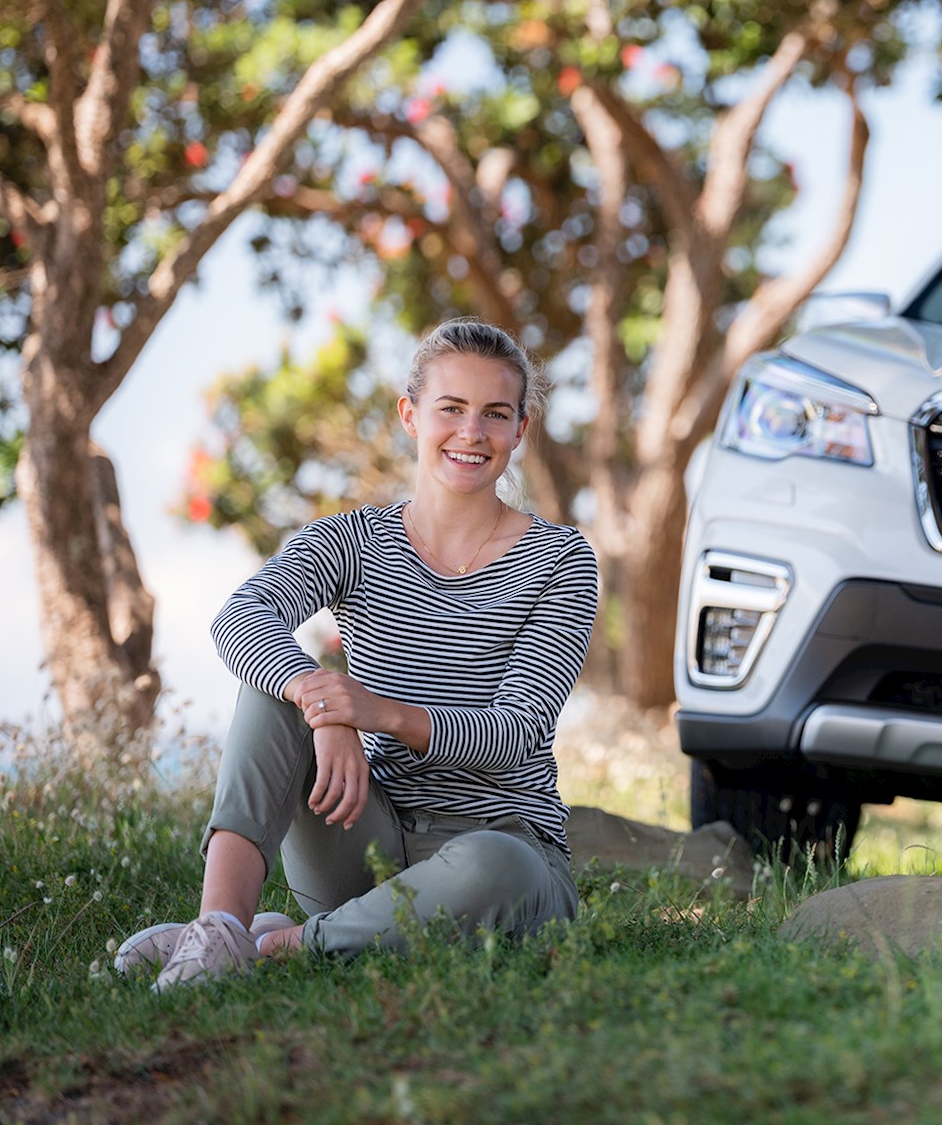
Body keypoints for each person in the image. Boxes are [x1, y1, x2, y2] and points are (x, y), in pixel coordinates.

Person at [116, 318, 597, 989]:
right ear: (410, 414)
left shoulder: (560, 560)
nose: (472, 432)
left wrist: (373, 711)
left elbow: (517, 731)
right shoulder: (355, 541)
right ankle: (220, 929)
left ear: (520, 428)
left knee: (499, 863)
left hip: (503, 854)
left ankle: (281, 943)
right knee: (274, 683)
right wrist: (325, 704)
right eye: (450, 409)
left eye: (495, 414)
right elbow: (242, 615)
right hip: (363, 840)